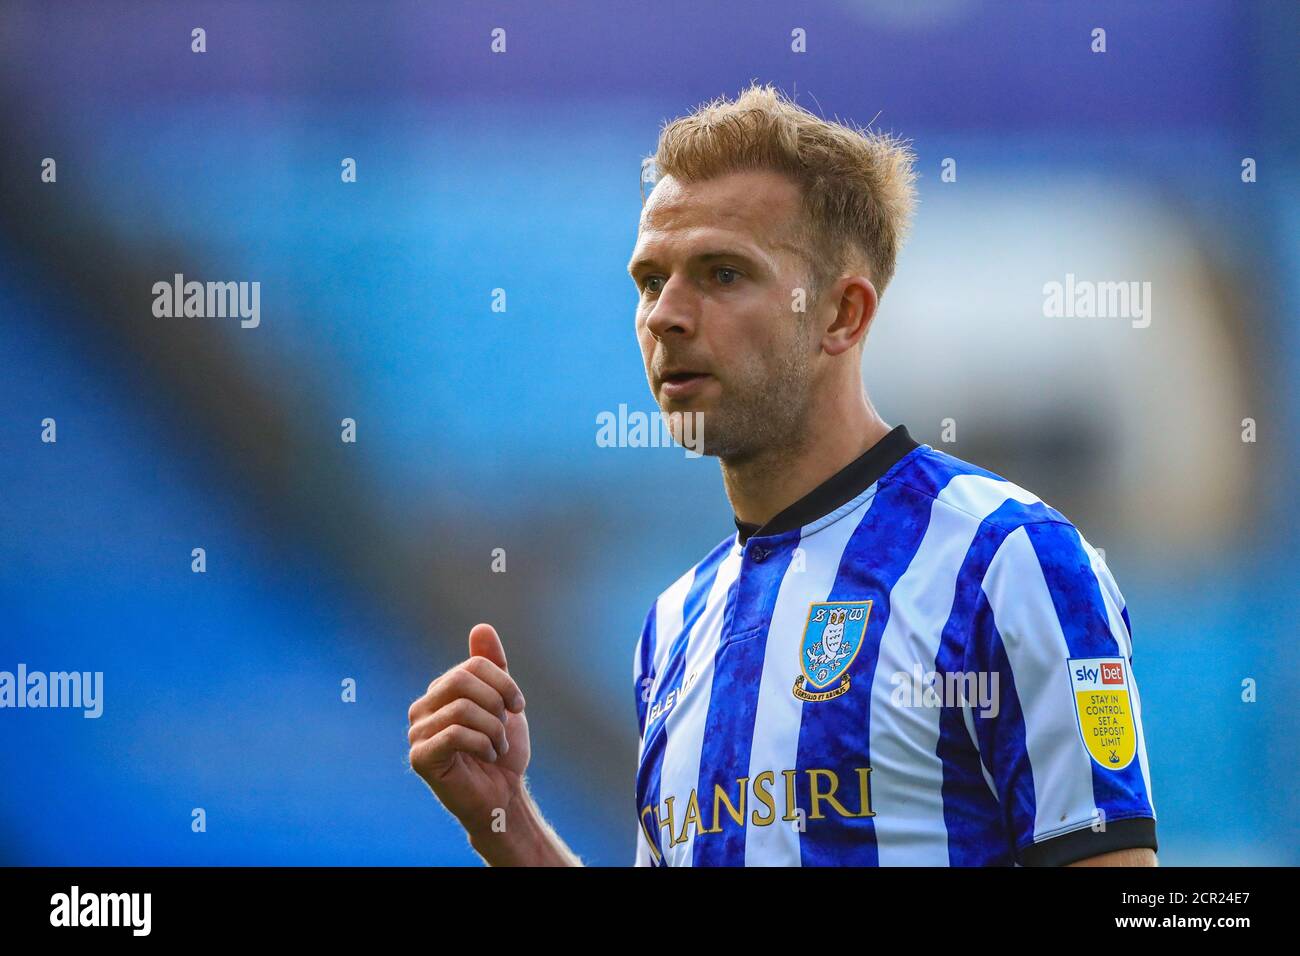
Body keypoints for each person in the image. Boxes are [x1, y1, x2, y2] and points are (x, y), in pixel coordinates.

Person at [407, 82, 1157, 867]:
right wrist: (510, 824)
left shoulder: (1008, 560)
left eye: (723, 273)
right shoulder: (672, 626)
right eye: (651, 280)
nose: (666, 314)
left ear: (843, 315)